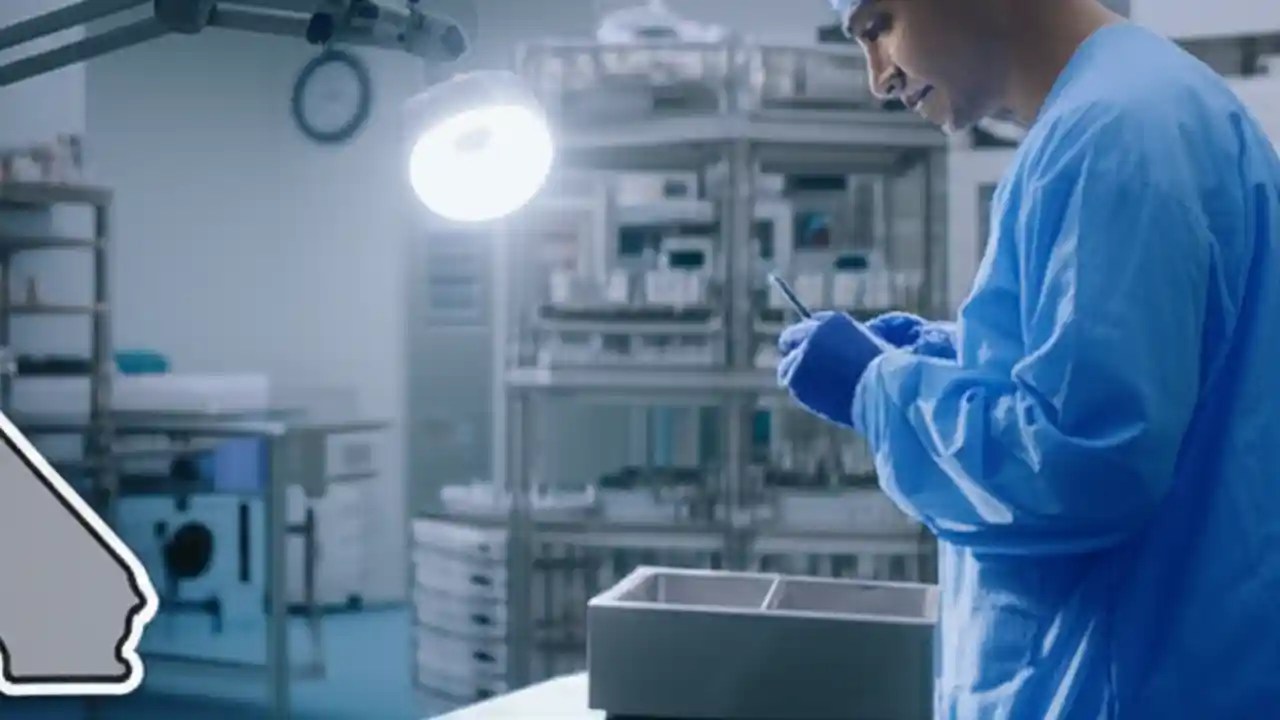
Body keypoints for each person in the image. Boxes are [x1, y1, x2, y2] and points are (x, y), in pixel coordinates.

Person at [777, 0, 1280, 716]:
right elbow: (1143, 378)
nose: (878, 78)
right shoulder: (1143, 103)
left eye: (879, 24)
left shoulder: (1111, 135)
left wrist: (879, 388)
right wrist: (946, 360)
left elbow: (1081, 464)